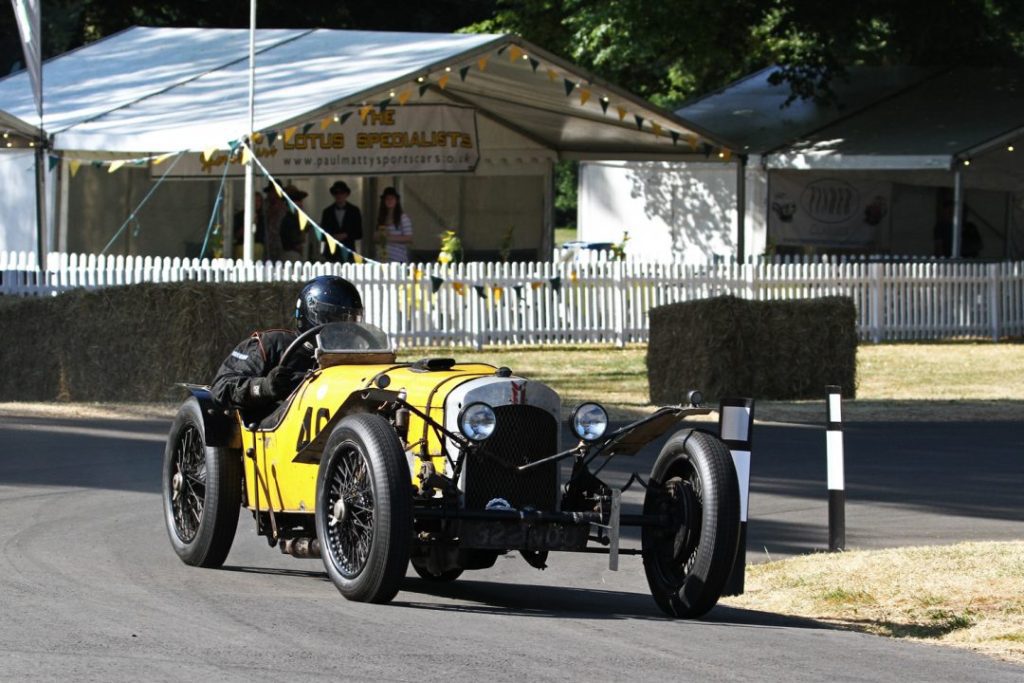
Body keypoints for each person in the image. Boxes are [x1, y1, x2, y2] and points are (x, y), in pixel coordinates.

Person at [209, 276, 363, 420]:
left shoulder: (357, 356)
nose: (345, 329)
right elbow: (221, 387)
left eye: (350, 321)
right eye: (336, 319)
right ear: (312, 313)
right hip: (276, 429)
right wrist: (263, 387)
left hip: (343, 424)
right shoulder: (272, 344)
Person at [320, 180, 363, 262]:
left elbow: (359, 233)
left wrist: (346, 235)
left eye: (342, 193)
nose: (339, 195)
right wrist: (333, 236)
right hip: (331, 254)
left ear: (346, 194)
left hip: (349, 252)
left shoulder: (354, 211)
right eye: (336, 193)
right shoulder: (327, 212)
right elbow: (322, 235)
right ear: (333, 194)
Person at [376, 186, 413, 263]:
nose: (389, 201)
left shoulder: (403, 218)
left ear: (396, 201)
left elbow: (409, 238)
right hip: (382, 258)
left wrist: (387, 238)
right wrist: (380, 236)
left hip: (398, 259)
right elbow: (375, 237)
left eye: (392, 198)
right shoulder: (382, 218)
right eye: (387, 199)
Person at [279, 184, 309, 262]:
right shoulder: (286, 218)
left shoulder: (300, 217)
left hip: (300, 253)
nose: (300, 203)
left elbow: (305, 234)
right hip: (290, 252)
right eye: (296, 200)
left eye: (300, 200)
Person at [231, 193, 265, 260]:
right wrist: (250, 223)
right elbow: (235, 235)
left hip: (258, 251)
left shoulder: (263, 218)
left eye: (259, 201)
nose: (257, 203)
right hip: (242, 248)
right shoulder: (240, 216)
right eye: (255, 201)